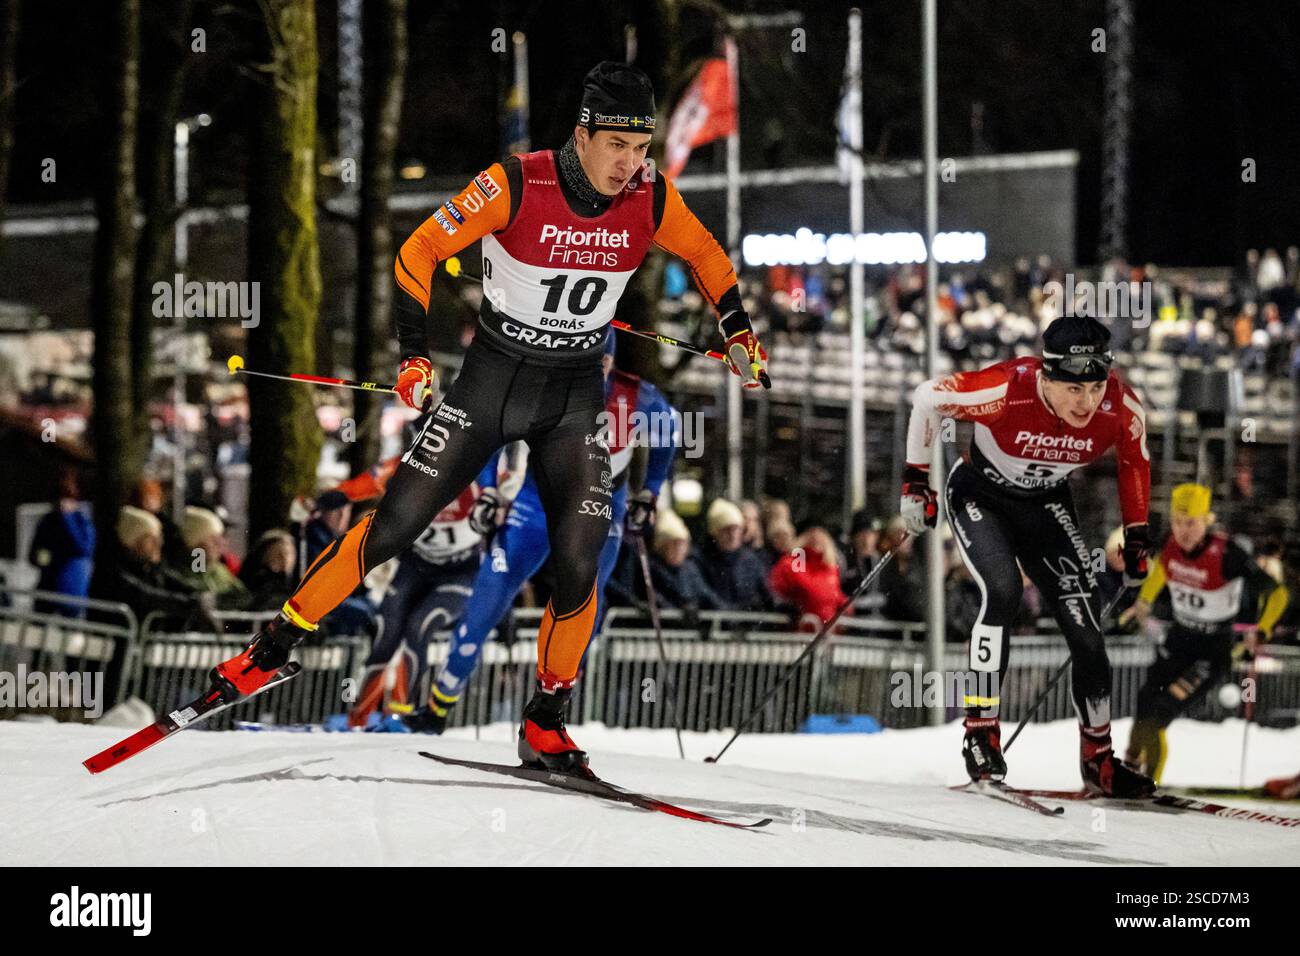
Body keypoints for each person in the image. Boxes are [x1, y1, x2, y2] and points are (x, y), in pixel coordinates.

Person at [210, 62, 768, 772]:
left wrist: (738, 331)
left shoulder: (651, 198)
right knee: (394, 528)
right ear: (584, 133)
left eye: (644, 147)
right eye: (619, 146)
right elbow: (420, 251)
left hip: (572, 397)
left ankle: (545, 720)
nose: (633, 164)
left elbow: (708, 256)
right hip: (491, 385)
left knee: (580, 558)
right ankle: (271, 651)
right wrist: (413, 357)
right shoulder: (516, 183)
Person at [900, 314, 1156, 796]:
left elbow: (1135, 459)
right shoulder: (1005, 390)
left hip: (1045, 507)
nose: (1087, 401)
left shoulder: (1120, 408)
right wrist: (916, 482)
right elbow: (927, 398)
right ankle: (980, 733)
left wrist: (1138, 533)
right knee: (1003, 592)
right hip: (981, 498)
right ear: (1046, 375)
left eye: (1096, 386)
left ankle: (1098, 758)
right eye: (1074, 390)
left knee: (1086, 628)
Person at [402, 330, 681, 733]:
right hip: (536, 507)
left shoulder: (636, 397)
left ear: (609, 364)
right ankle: (436, 707)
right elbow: (492, 433)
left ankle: (550, 715)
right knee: (487, 598)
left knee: (586, 609)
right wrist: (490, 493)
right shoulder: (541, 386)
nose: (589, 371)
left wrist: (651, 493)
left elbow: (669, 432)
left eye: (598, 363)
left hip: (600, 510)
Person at [1121, 485, 1288, 782]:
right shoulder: (1171, 544)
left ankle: (1148, 783)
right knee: (1144, 704)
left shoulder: (1227, 553)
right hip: (1178, 641)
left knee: (1159, 714)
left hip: (1211, 652)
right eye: (1177, 522)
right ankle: (1128, 767)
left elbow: (1278, 595)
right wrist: (1143, 603)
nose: (1183, 531)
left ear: (1206, 521)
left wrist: (1260, 631)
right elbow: (1161, 569)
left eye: (1191, 523)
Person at [29, 469, 95, 617]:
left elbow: (84, 548)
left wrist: (68, 519)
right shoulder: (47, 521)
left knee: (70, 632)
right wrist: (47, 559)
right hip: (47, 587)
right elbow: (35, 553)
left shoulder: (81, 520)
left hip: (72, 590)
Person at [693, 498, 773, 611]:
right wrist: (733, 613)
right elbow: (704, 594)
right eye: (726, 529)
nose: (732, 535)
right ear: (715, 532)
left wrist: (781, 605)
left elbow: (767, 593)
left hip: (746, 625)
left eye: (736, 529)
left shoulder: (750, 560)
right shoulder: (699, 559)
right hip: (714, 625)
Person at [768, 526, 848, 626]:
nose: (817, 536)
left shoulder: (830, 566)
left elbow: (833, 593)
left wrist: (845, 605)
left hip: (828, 632)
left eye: (821, 534)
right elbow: (777, 592)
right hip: (800, 632)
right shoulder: (792, 563)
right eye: (812, 533)